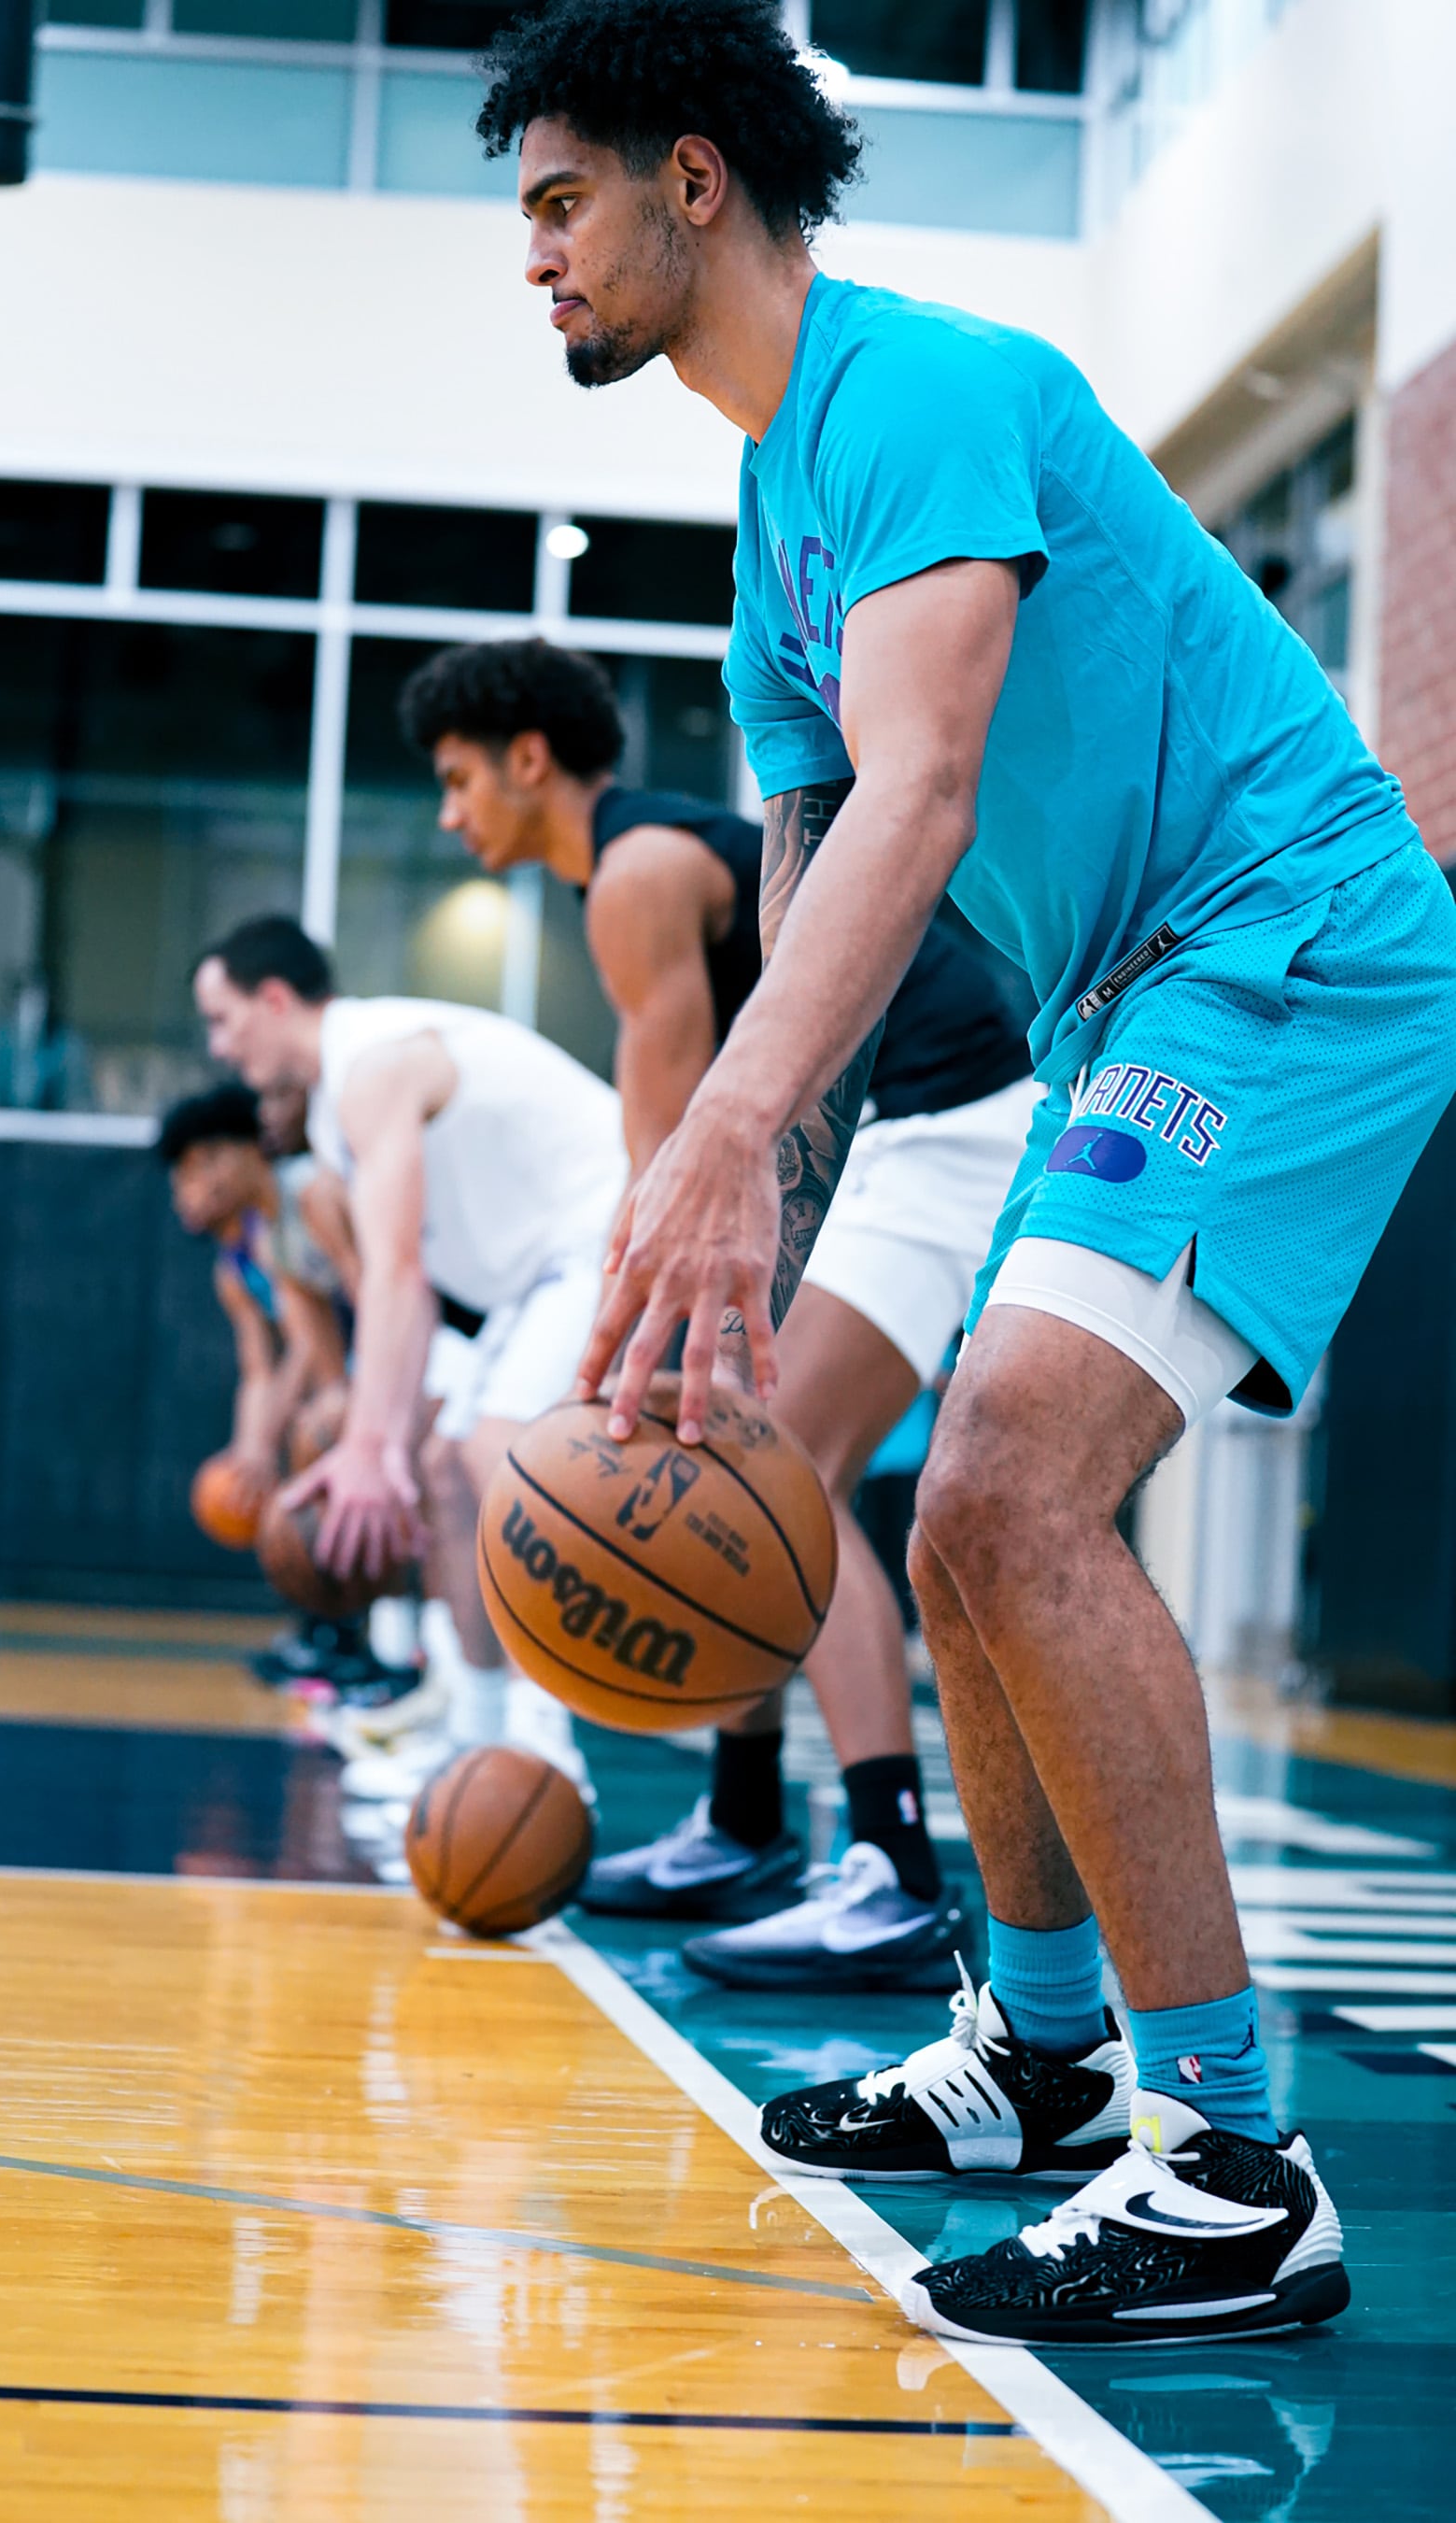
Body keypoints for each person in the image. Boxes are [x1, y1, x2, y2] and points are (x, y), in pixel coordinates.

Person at [475, 0, 1456, 2345]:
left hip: (1285, 935)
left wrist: (716, 1134)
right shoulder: (774, 499)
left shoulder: (919, 387)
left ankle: (1228, 2163)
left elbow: (920, 800)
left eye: (557, 202)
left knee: (1011, 1476)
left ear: (691, 180)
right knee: (956, 1513)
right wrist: (741, 1244)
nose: (535, 260)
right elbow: (811, 861)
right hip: (1121, 997)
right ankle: (1033, 2046)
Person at [401, 633, 1036, 1991]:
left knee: (779, 1470)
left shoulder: (632, 880)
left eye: (459, 781)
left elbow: (669, 1159)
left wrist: (628, 1340)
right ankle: (748, 1827)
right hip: (875, 1138)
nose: (450, 815)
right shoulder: (643, 864)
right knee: (715, 1435)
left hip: (945, 1123)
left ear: (530, 759)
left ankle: (891, 1875)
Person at [191, 914, 629, 1789]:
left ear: (274, 1000)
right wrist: (382, 1444)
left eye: (224, 1019)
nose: (219, 1045)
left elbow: (393, 1272)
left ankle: (546, 1744)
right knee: (439, 1467)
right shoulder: (331, 1115)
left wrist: (361, 1446)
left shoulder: (373, 1064)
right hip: (536, 1276)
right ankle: (472, 1740)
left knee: (494, 1449)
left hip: (611, 1227)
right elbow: (410, 1295)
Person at [157, 1084, 399, 1698]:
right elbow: (263, 1368)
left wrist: (328, 1402)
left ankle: (352, 1633)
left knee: (316, 1443)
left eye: (188, 1172)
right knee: (309, 1446)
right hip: (348, 1361)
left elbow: (340, 1315)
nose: (183, 1194)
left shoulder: (304, 1198)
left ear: (228, 1156)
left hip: (399, 1343)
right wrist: (248, 1447)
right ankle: (329, 1627)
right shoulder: (236, 1266)